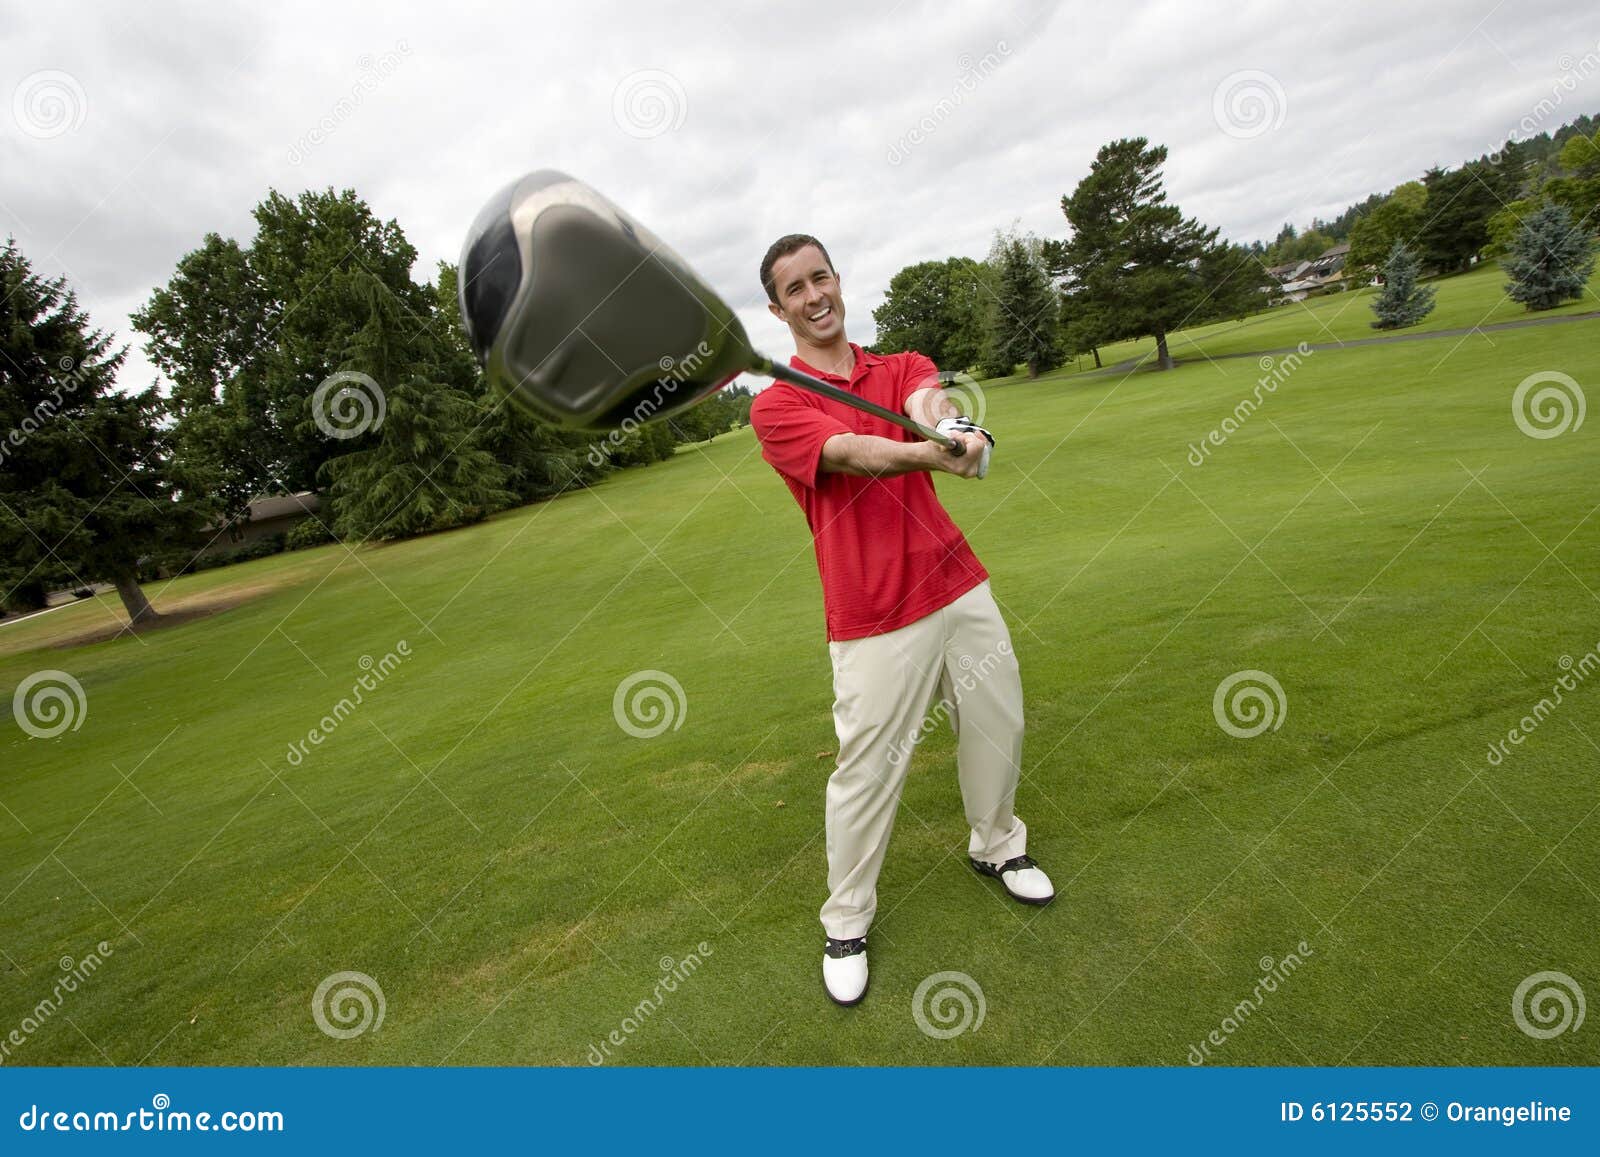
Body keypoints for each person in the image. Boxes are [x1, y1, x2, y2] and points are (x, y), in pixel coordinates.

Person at [747, 234, 1054, 1008]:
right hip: (872, 610)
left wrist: (946, 425)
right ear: (778, 309)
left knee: (997, 720)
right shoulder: (776, 403)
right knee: (865, 770)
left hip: (954, 578)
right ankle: (846, 919)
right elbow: (851, 451)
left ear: (838, 280)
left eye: (821, 277)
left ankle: (997, 846)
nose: (815, 295)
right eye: (795, 289)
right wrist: (930, 456)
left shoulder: (900, 365)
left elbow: (926, 399)